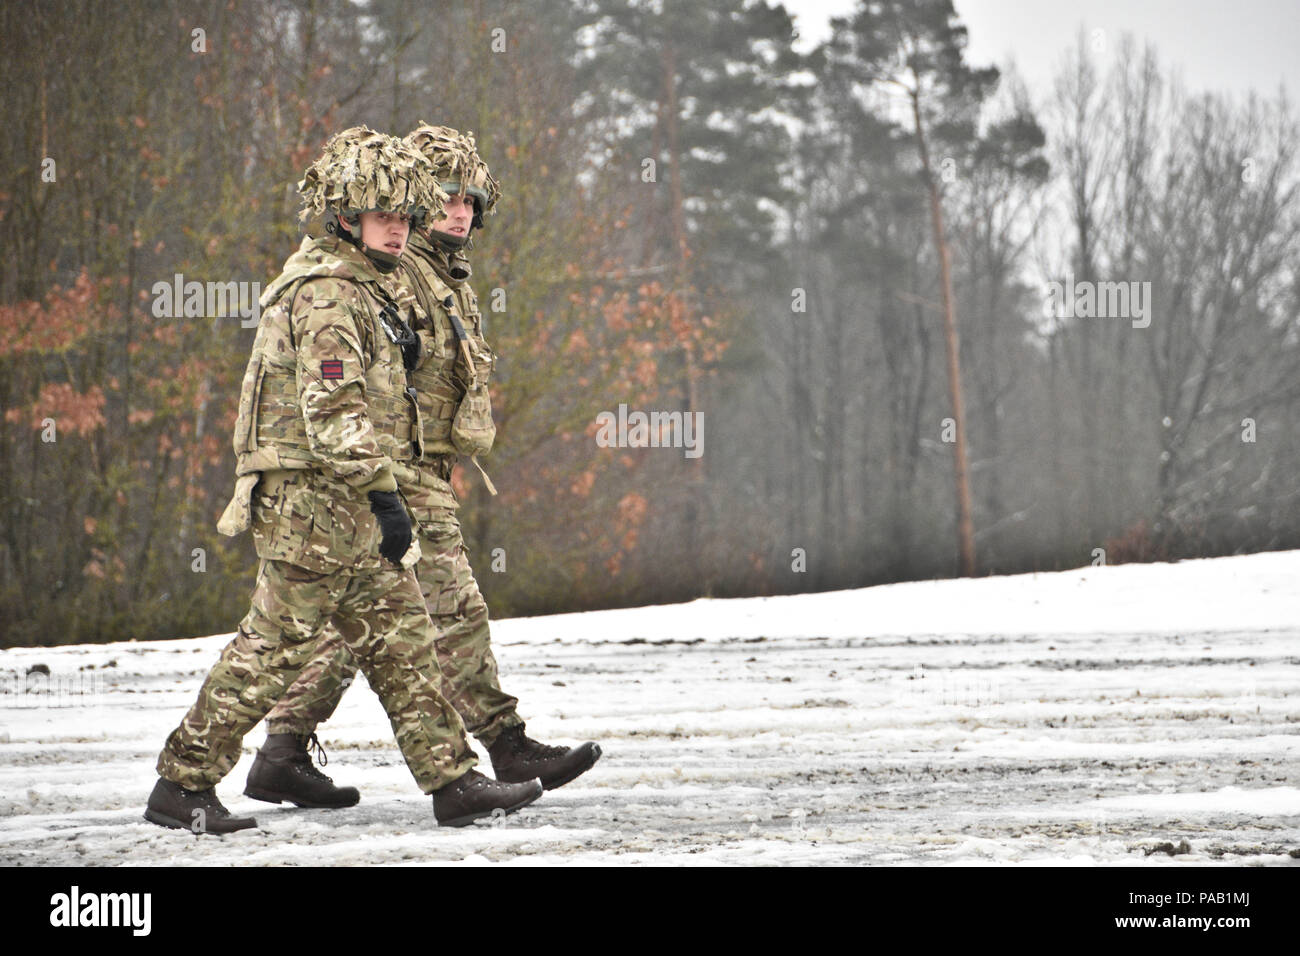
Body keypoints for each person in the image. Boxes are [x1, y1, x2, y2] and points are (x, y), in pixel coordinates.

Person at [144, 127, 543, 833]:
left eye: (406, 218)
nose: (399, 230)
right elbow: (334, 415)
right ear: (345, 217)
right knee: (270, 650)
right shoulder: (328, 294)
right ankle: (182, 782)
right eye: (383, 217)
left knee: (403, 642)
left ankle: (455, 782)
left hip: (345, 507)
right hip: (312, 508)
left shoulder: (367, 287)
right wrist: (389, 497)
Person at [245, 125, 600, 809]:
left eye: (471, 199)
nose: (460, 211)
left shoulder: (441, 277)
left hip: (422, 469)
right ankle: (503, 742)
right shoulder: (396, 275)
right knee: (453, 607)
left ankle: (281, 751)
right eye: (445, 196)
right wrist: (377, 476)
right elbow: (362, 379)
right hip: (391, 473)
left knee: (362, 625)